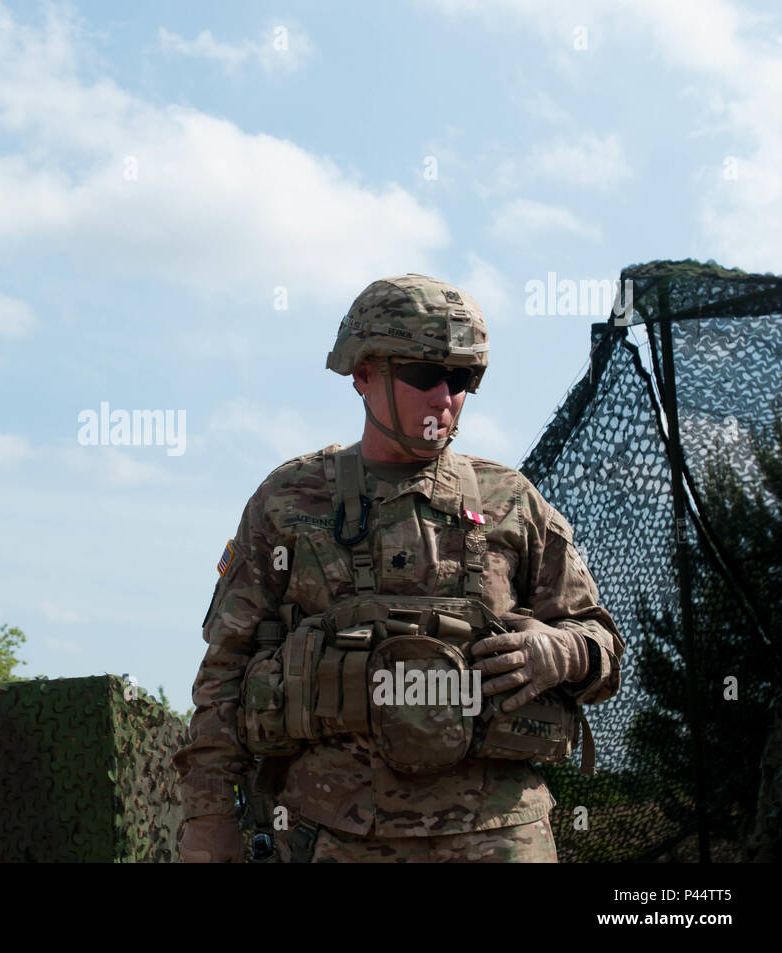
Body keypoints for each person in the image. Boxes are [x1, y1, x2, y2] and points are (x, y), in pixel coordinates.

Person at [173, 274, 623, 863]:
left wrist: (563, 653)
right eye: (421, 374)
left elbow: (602, 646)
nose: (444, 396)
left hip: (499, 837)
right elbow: (224, 673)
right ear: (363, 373)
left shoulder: (511, 499)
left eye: (461, 377)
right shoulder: (289, 500)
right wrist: (208, 818)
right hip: (331, 834)